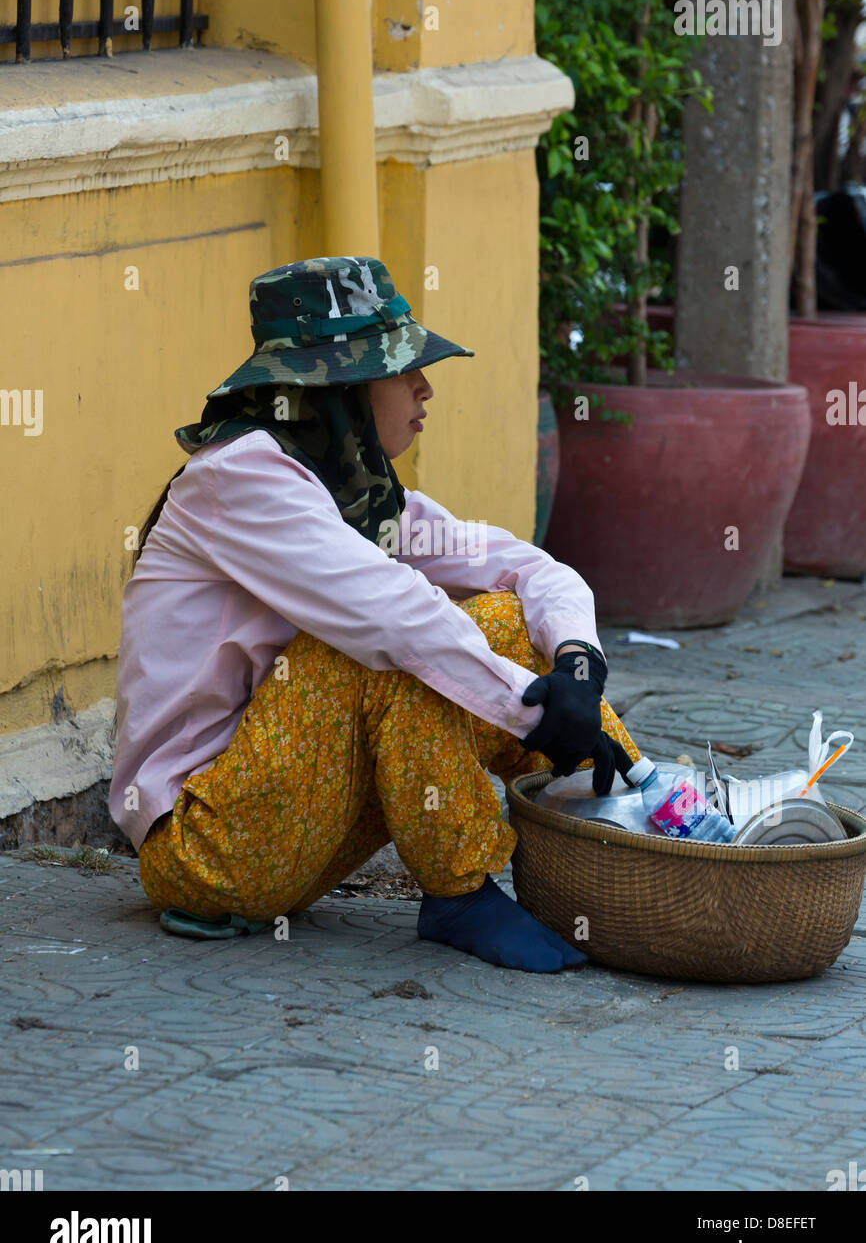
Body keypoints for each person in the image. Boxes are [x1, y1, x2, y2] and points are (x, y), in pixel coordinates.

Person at [109, 255, 640, 974]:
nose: (425, 387)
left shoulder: (353, 492)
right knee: (395, 645)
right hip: (209, 850)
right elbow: (397, 621)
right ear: (341, 388)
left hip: (297, 831)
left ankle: (642, 810)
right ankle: (461, 892)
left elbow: (530, 568)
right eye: (401, 369)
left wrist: (578, 665)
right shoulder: (240, 478)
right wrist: (534, 715)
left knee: (504, 620)